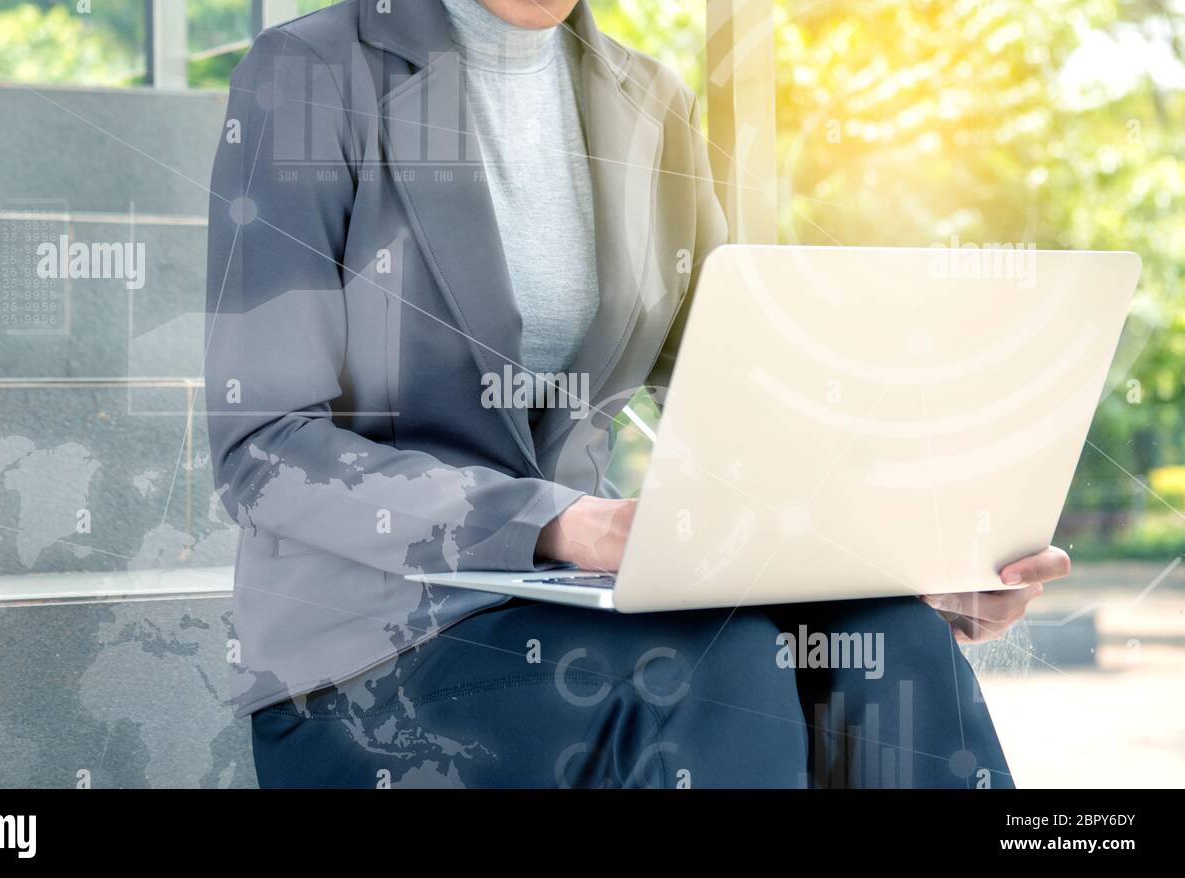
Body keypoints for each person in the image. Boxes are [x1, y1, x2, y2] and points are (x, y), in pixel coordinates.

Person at [205, 0, 1070, 788]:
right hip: (375, 647)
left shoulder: (650, 102)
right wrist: (560, 522)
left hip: (588, 605)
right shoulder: (310, 74)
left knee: (895, 643)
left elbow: (744, 398)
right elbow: (265, 449)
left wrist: (919, 548)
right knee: (713, 671)